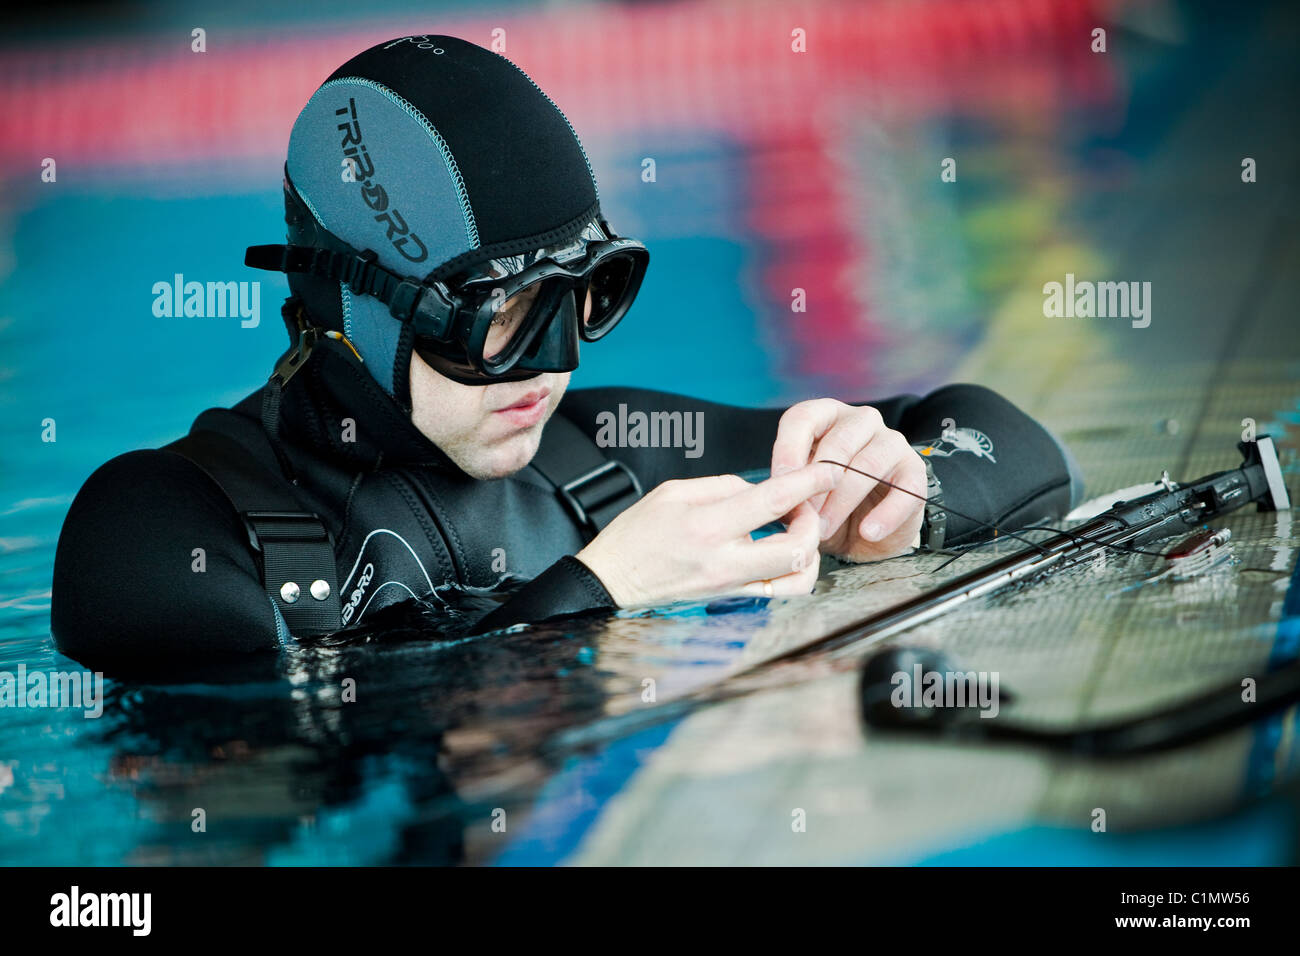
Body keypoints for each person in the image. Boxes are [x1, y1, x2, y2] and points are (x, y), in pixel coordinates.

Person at [51, 35, 1082, 673]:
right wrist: (597, 596)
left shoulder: (595, 454)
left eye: (582, 294)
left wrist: (904, 499)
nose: (553, 365)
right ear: (355, 303)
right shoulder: (156, 530)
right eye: (497, 310)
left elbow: (1004, 437)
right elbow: (303, 754)